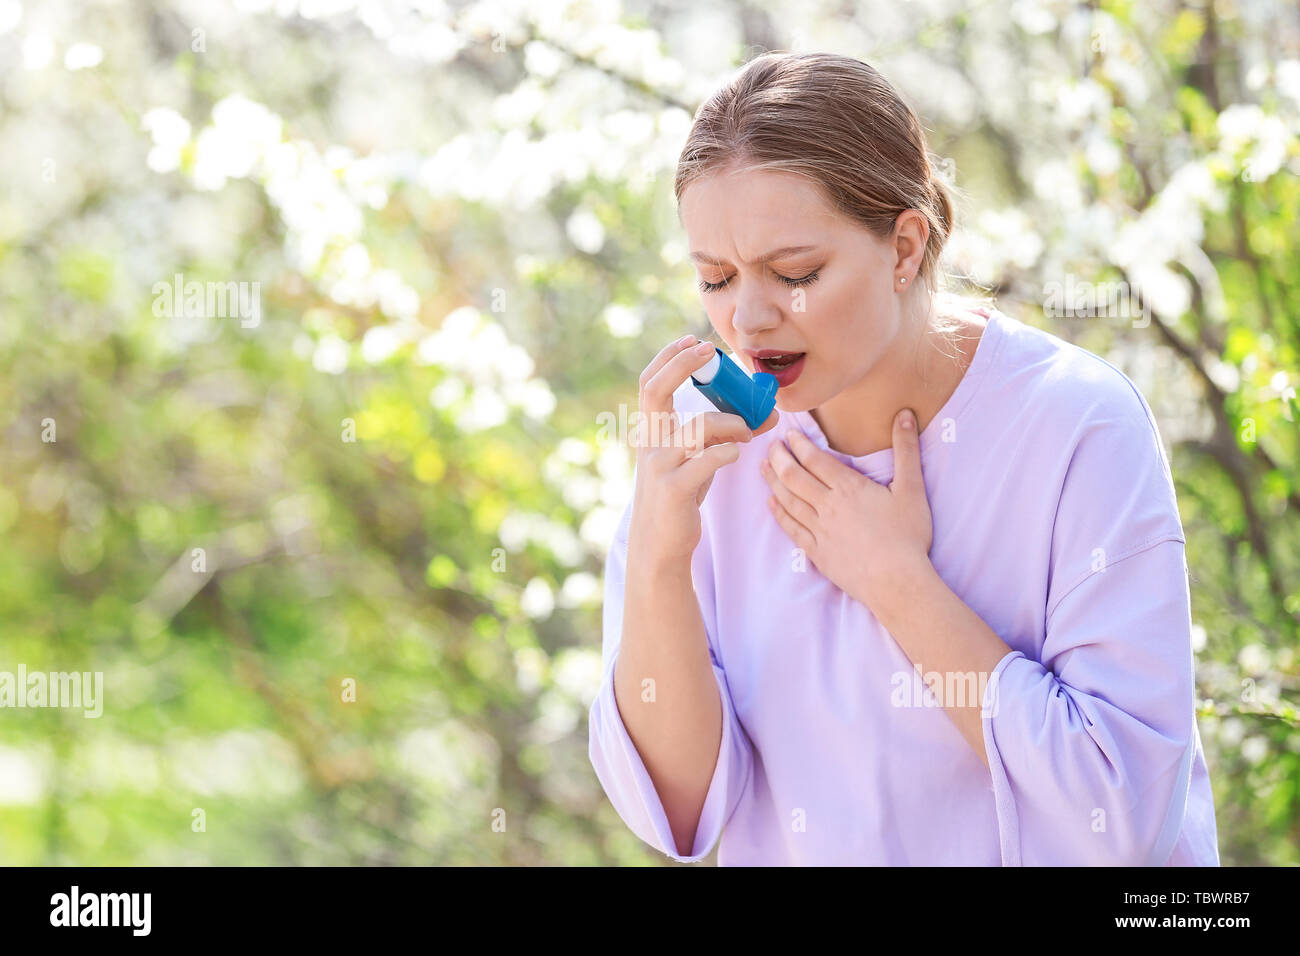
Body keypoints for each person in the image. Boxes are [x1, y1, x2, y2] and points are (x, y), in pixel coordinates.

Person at [588, 51, 1220, 865]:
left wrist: (897, 583)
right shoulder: (705, 449)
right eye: (714, 279)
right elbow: (675, 811)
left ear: (905, 248)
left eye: (795, 274)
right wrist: (657, 560)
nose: (745, 317)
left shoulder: (1078, 426)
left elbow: (1120, 816)